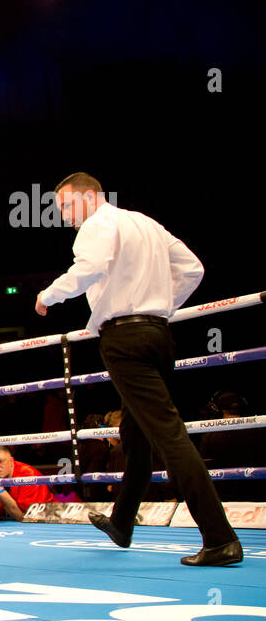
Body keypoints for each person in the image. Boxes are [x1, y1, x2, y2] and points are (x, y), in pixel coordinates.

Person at [35, 173, 240, 566]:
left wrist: (48, 295)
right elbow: (193, 268)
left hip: (125, 339)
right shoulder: (146, 223)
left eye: (64, 207)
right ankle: (122, 521)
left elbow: (88, 268)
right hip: (158, 334)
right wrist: (161, 306)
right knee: (136, 433)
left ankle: (219, 537)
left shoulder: (97, 224)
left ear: (86, 197)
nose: (63, 217)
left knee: (168, 434)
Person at [0, 447, 52, 522]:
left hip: (48, 519)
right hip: (11, 524)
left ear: (11, 461)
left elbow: (25, 518)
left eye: (0, 461)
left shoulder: (29, 476)